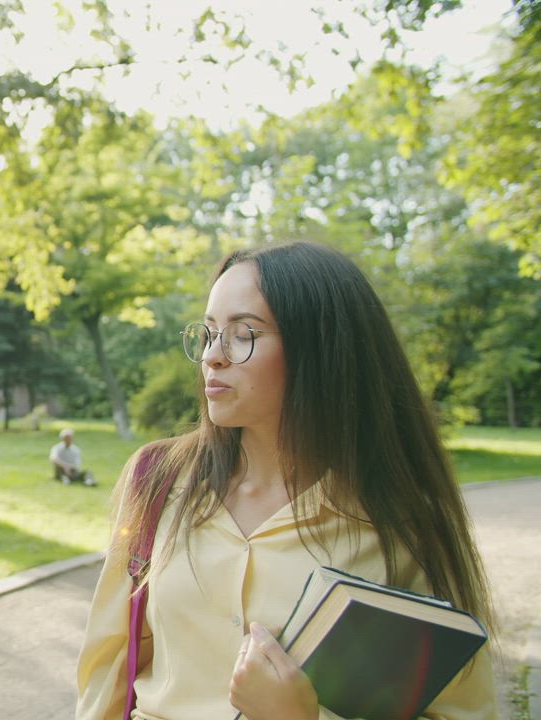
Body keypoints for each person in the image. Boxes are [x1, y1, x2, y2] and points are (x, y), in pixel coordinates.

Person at [76, 241, 497, 720]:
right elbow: (107, 670)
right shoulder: (158, 480)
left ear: (320, 348)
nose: (213, 356)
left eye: (244, 334)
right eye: (210, 333)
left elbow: (462, 711)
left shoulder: (403, 523)